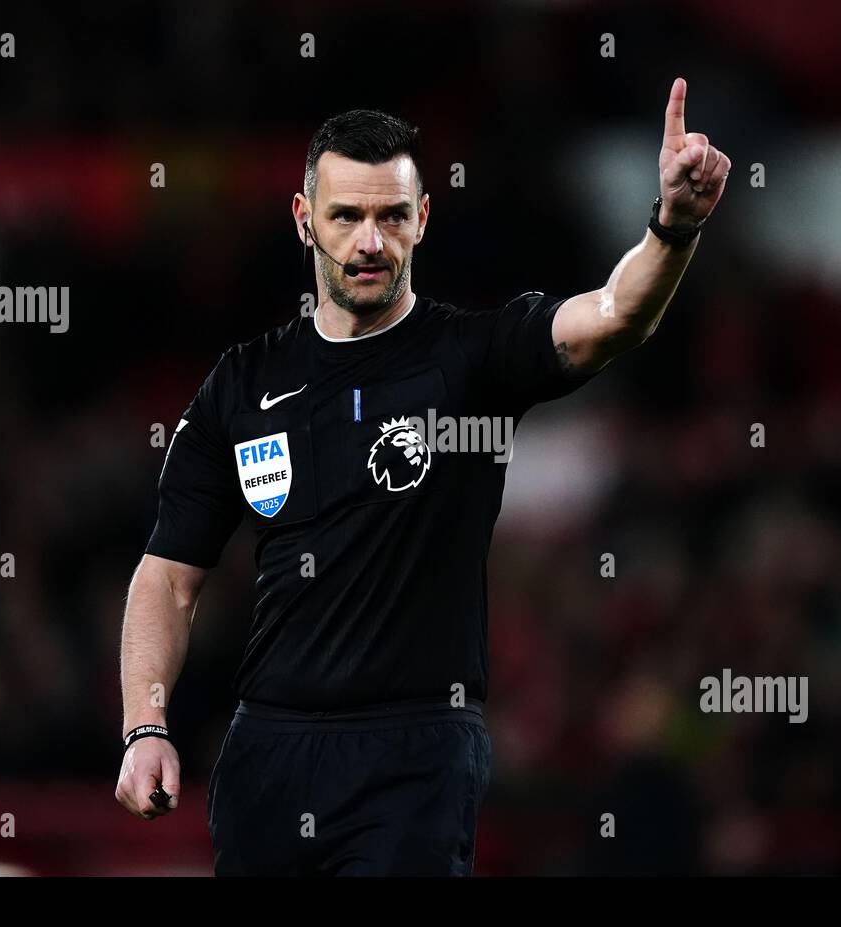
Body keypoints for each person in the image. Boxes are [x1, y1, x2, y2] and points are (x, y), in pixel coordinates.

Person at [115, 78, 730, 875]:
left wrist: (673, 227)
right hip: (268, 751)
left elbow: (613, 317)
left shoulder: (470, 357)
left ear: (423, 219)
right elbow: (168, 576)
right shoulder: (241, 384)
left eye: (392, 216)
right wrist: (145, 726)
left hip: (414, 754)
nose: (370, 241)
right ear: (304, 220)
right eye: (346, 216)